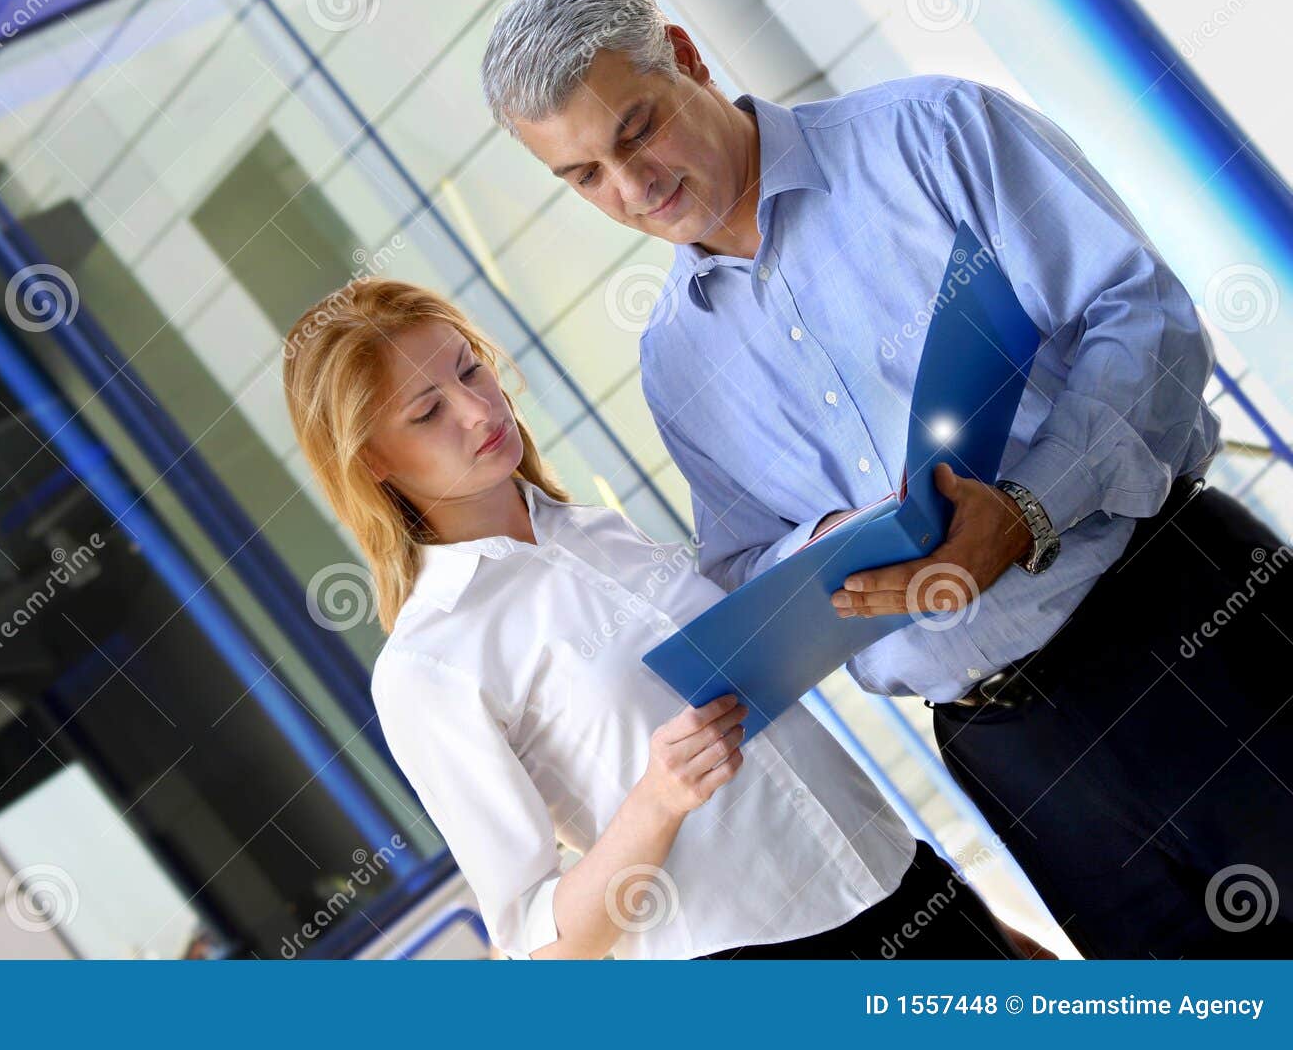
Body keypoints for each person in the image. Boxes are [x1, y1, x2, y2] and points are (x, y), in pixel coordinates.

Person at [478, 0, 1293, 958]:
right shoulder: (673, 359)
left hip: (1182, 625)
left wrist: (1030, 509)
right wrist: (828, 551)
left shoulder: (931, 134)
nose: (631, 187)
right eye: (583, 176)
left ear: (687, 58)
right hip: (1012, 751)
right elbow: (741, 568)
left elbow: (1143, 319)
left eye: (636, 129)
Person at [281, 276, 1025, 960]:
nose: (479, 409)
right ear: (373, 461)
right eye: (427, 411)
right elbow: (541, 947)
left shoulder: (599, 532)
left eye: (469, 368)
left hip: (899, 877)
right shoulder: (428, 663)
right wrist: (657, 800)